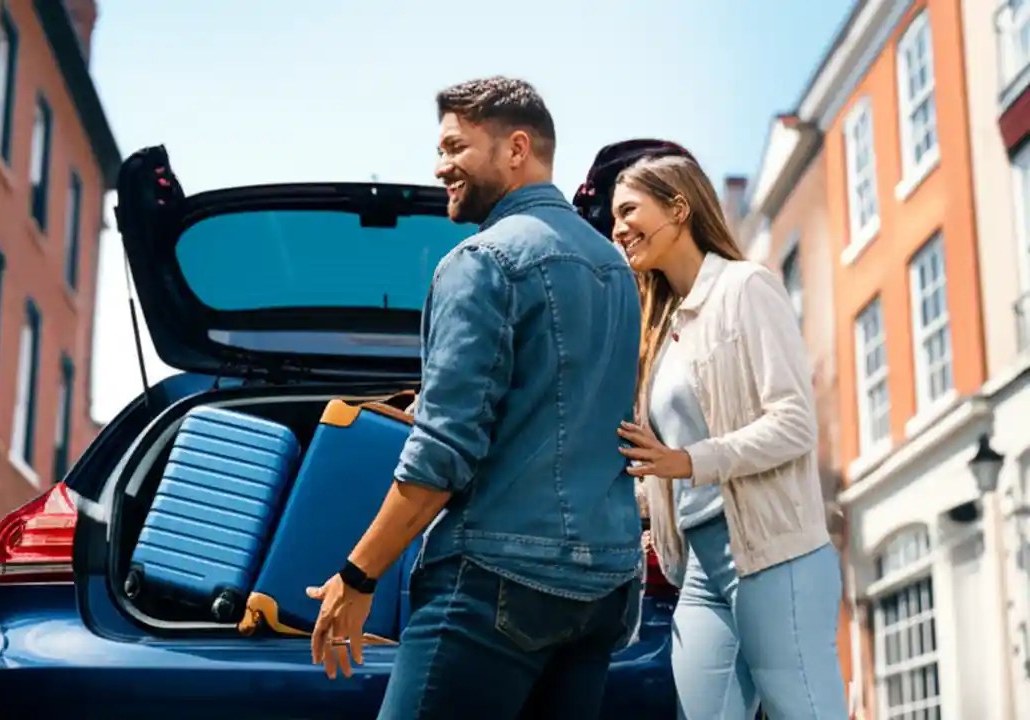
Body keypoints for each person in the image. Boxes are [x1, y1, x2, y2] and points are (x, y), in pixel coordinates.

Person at [304, 76, 644, 719]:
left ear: (516, 149)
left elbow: (442, 454)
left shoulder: (483, 261)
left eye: (456, 147)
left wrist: (357, 575)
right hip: (602, 588)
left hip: (497, 584)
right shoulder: (615, 269)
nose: (440, 167)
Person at [575, 140, 848, 719]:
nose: (617, 228)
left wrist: (689, 461)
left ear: (679, 208)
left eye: (629, 211)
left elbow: (794, 423)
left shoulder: (746, 288)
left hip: (775, 556)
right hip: (699, 567)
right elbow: (661, 457)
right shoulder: (663, 325)